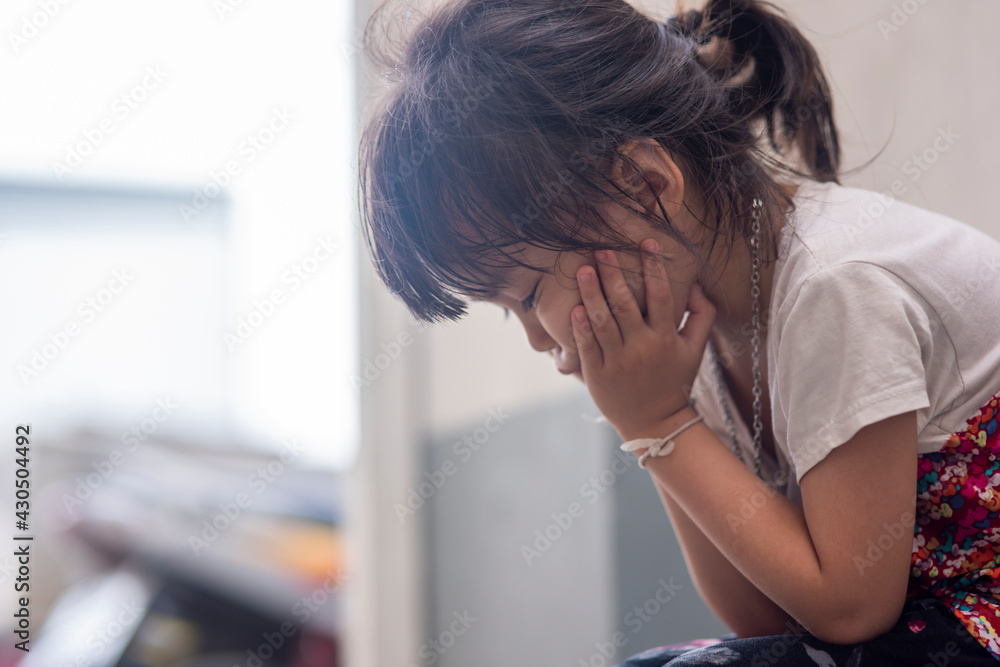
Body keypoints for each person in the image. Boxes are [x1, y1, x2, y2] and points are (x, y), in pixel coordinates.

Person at [357, 0, 1000, 663]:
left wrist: (661, 421)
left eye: (527, 296)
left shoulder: (834, 285)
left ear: (645, 184)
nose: (537, 339)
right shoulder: (707, 331)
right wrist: (654, 422)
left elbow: (850, 607)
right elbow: (763, 618)